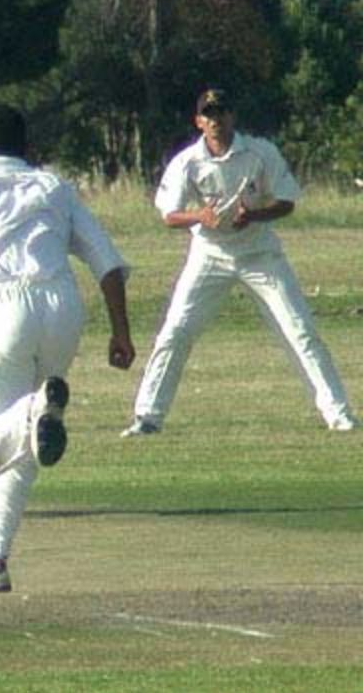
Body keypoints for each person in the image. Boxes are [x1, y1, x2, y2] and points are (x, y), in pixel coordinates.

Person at [0, 105, 135, 594]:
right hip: (62, 306)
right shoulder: (52, 187)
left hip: (4, 310)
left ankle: (32, 413)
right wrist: (120, 331)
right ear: (27, 150)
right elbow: (106, 262)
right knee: (27, 449)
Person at [122, 88, 357, 437]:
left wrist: (255, 215)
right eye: (209, 114)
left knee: (301, 330)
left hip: (260, 254)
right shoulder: (188, 162)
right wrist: (200, 216)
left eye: (222, 112)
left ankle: (339, 415)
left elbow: (287, 201)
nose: (216, 120)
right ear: (199, 121)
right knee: (175, 332)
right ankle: (148, 417)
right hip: (209, 256)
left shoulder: (259, 153)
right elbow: (169, 215)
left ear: (232, 116)